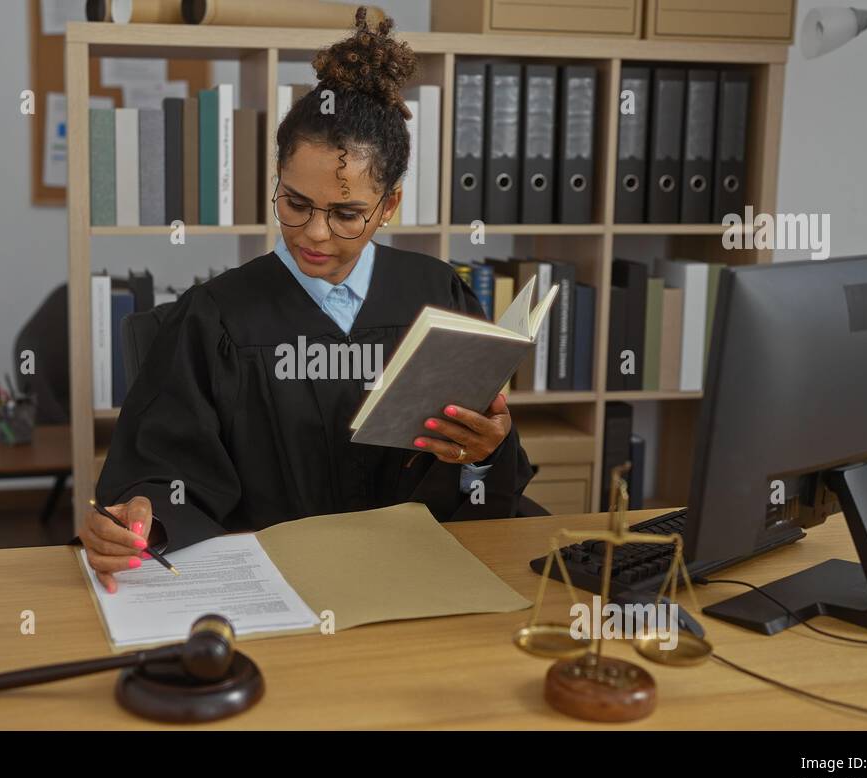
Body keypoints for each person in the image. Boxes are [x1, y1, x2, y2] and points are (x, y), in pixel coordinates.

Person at [81, 7, 539, 593]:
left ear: (389, 206)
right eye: (295, 202)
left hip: (417, 577)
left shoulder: (439, 295)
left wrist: (481, 456)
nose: (314, 233)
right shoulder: (216, 318)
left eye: (347, 213)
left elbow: (488, 476)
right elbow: (164, 475)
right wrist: (140, 514)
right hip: (273, 591)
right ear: (277, 178)